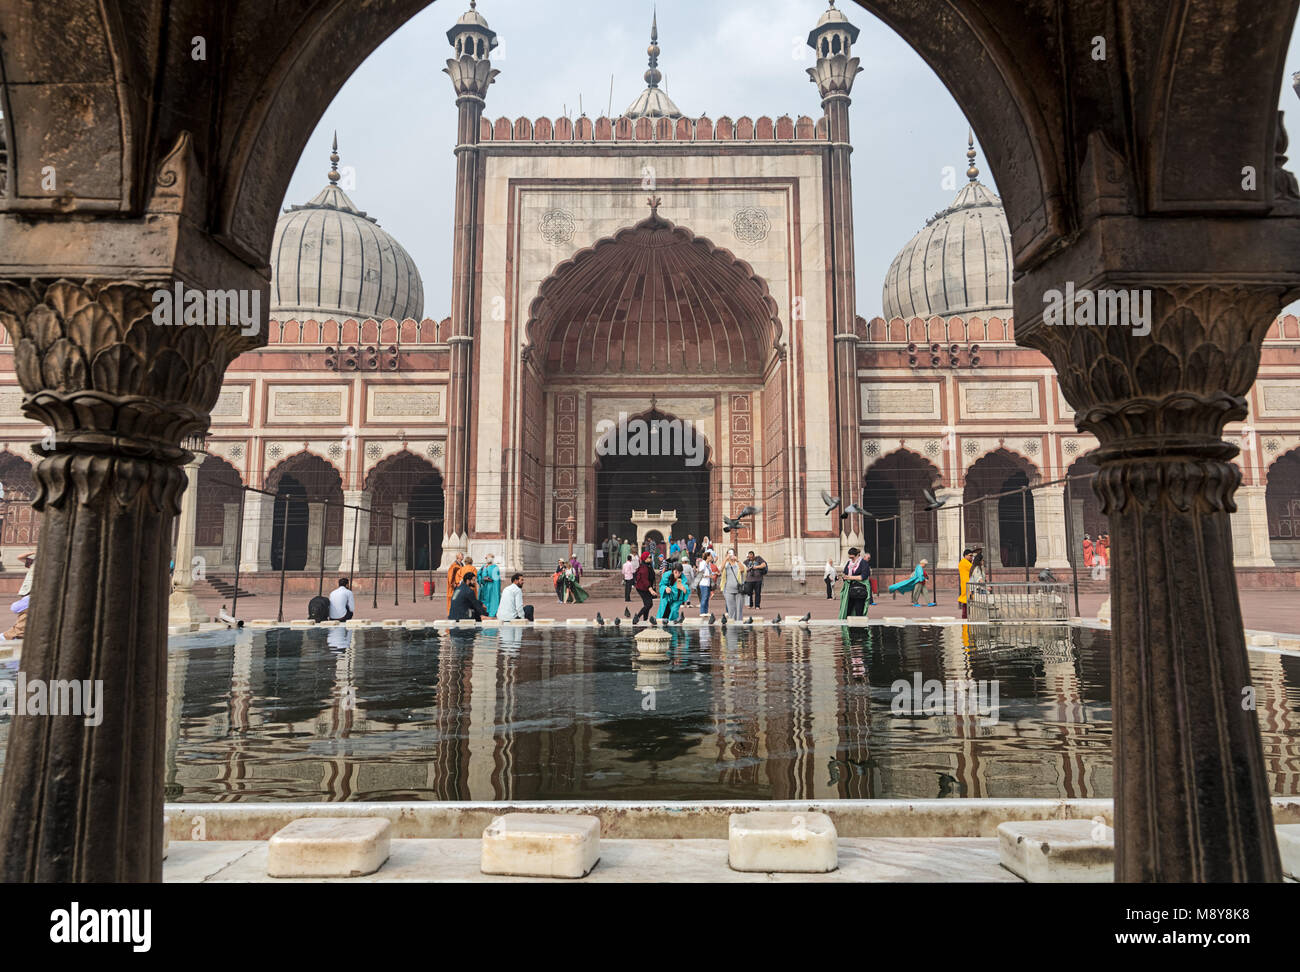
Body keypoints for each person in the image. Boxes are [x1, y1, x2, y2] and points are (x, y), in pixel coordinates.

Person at [839, 548, 870, 618]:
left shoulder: (863, 563)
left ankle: (859, 627)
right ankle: (849, 628)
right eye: (849, 557)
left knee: (859, 612)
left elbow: (863, 577)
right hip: (850, 590)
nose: (851, 559)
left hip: (860, 590)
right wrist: (843, 576)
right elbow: (845, 573)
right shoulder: (849, 563)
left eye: (852, 557)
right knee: (848, 610)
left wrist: (850, 577)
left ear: (857, 555)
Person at [633, 551, 656, 623]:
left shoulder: (648, 565)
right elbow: (644, 580)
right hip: (642, 588)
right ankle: (637, 616)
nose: (651, 558)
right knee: (649, 604)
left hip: (645, 587)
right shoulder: (644, 568)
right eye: (649, 557)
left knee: (647, 604)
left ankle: (645, 620)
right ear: (645, 559)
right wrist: (651, 589)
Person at [722, 549, 746, 620]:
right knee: (731, 609)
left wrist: (737, 560)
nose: (730, 555)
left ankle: (739, 625)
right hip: (728, 590)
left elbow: (742, 570)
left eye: (732, 553)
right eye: (729, 553)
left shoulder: (738, 563)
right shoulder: (726, 565)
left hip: (739, 590)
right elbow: (720, 568)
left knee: (739, 609)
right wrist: (726, 559)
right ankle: (731, 626)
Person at [697, 551, 717, 615]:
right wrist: (709, 576)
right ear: (707, 557)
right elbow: (701, 573)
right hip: (703, 583)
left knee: (707, 598)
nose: (712, 557)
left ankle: (706, 611)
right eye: (711, 556)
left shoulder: (708, 564)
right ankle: (702, 612)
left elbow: (710, 572)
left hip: (708, 583)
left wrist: (714, 573)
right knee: (704, 597)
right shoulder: (703, 563)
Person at [445, 552, 465, 616]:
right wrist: (452, 583)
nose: (463, 556)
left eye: (462, 555)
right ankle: (451, 613)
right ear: (458, 557)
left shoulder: (461, 564)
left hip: (460, 584)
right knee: (453, 598)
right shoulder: (454, 565)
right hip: (455, 585)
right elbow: (450, 575)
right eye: (461, 555)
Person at [957, 548, 974, 619]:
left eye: (972, 556)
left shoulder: (966, 562)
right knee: (966, 600)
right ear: (965, 555)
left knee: (968, 600)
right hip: (966, 584)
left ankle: (966, 616)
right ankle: (965, 616)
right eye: (970, 555)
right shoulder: (964, 562)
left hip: (968, 583)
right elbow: (973, 568)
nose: (971, 557)